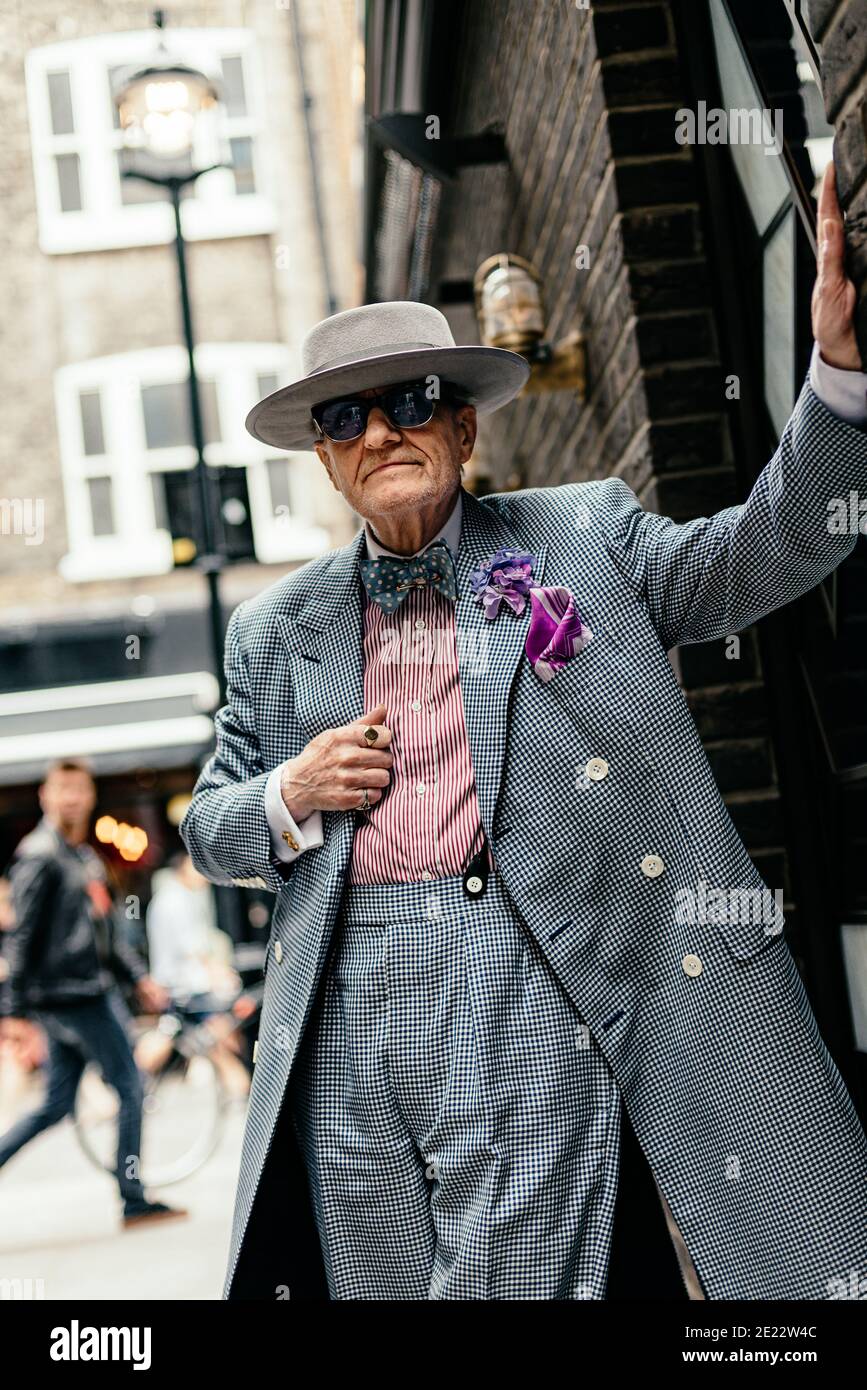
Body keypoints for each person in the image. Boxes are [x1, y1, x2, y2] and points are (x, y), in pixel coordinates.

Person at [181, 162, 867, 1301]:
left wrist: (839, 382)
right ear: (325, 457)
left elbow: (761, 552)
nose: (382, 432)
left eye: (410, 403)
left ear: (461, 425)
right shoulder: (273, 630)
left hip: (525, 961)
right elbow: (210, 826)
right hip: (349, 1003)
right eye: (348, 416)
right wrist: (287, 793)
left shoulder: (583, 533)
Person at [0, 760, 188, 1228]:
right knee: (129, 1086)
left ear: (89, 796)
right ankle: (132, 1197)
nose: (71, 799)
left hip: (83, 990)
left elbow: (106, 932)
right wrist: (14, 1009)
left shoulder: (80, 857)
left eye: (79, 789)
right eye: (62, 789)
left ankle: (132, 1194)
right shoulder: (40, 855)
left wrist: (138, 978)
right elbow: (20, 936)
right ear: (45, 796)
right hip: (74, 995)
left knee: (55, 1105)